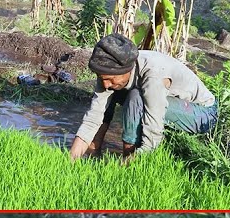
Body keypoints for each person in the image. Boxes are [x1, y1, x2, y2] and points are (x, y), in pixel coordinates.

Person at [69, 34, 218, 162]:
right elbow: (94, 116)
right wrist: (71, 160)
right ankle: (93, 150)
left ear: (127, 70)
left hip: (203, 114)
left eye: (110, 79)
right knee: (112, 96)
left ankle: (129, 157)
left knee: (135, 98)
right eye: (102, 78)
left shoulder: (152, 73)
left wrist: (133, 162)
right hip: (168, 103)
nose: (106, 84)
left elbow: (153, 128)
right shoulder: (108, 72)